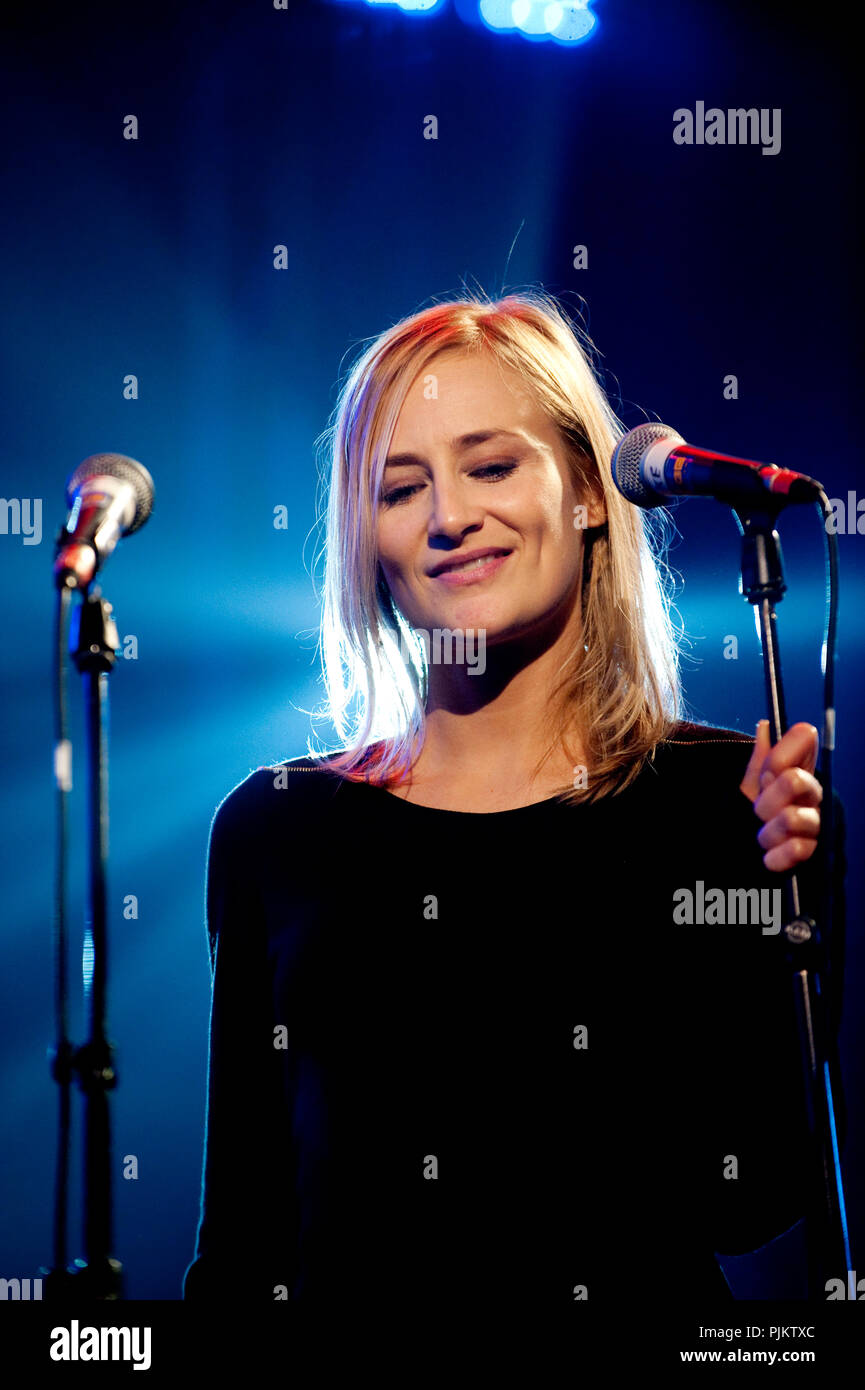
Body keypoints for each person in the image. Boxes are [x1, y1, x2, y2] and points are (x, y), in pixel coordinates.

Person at [182, 291, 845, 1317]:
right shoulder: (278, 827)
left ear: (587, 490)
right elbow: (244, 1238)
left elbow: (752, 1196)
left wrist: (790, 898)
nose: (450, 517)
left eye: (491, 466)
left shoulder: (719, 803)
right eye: (402, 489)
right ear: (365, 538)